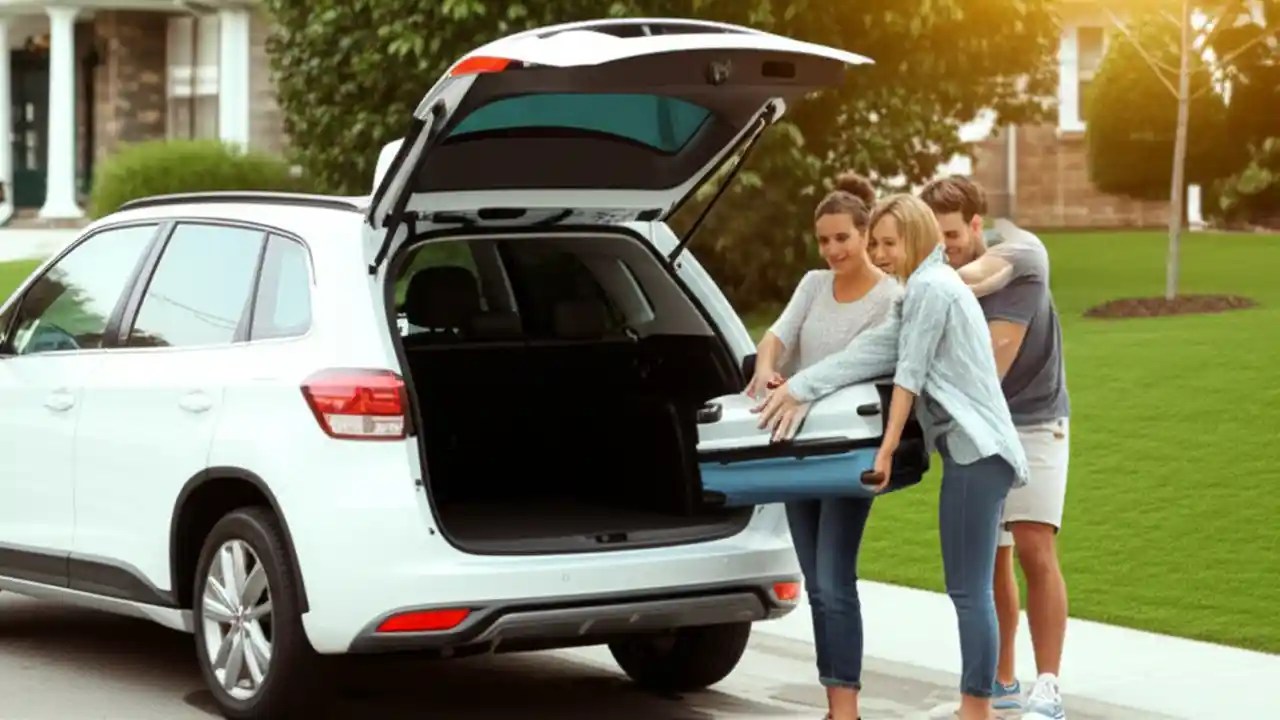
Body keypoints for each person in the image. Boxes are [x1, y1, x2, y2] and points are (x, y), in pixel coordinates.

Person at [757, 194, 1029, 720]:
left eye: (888, 243)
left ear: (914, 235)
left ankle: (977, 709)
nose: (880, 255)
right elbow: (871, 352)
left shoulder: (930, 288)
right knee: (966, 587)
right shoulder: (917, 291)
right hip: (970, 453)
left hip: (981, 452)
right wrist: (798, 388)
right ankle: (973, 706)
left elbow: (908, 372)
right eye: (876, 244)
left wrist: (884, 452)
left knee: (968, 589)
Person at [746, 171, 901, 720]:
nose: (834, 249)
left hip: (847, 451)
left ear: (865, 233)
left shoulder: (891, 299)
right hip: (794, 448)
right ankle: (834, 700)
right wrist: (767, 369)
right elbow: (777, 336)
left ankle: (846, 708)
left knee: (835, 579)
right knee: (815, 584)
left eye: (844, 238)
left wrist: (802, 384)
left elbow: (856, 367)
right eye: (825, 240)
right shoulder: (813, 284)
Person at [920, 175, 1071, 720]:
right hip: (979, 428)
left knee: (1034, 548)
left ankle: (1048, 687)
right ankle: (1001, 682)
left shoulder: (1023, 259)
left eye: (953, 233)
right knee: (991, 560)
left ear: (978, 225)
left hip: (1033, 421)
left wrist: (930, 278)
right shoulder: (937, 278)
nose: (945, 244)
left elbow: (988, 367)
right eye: (933, 237)